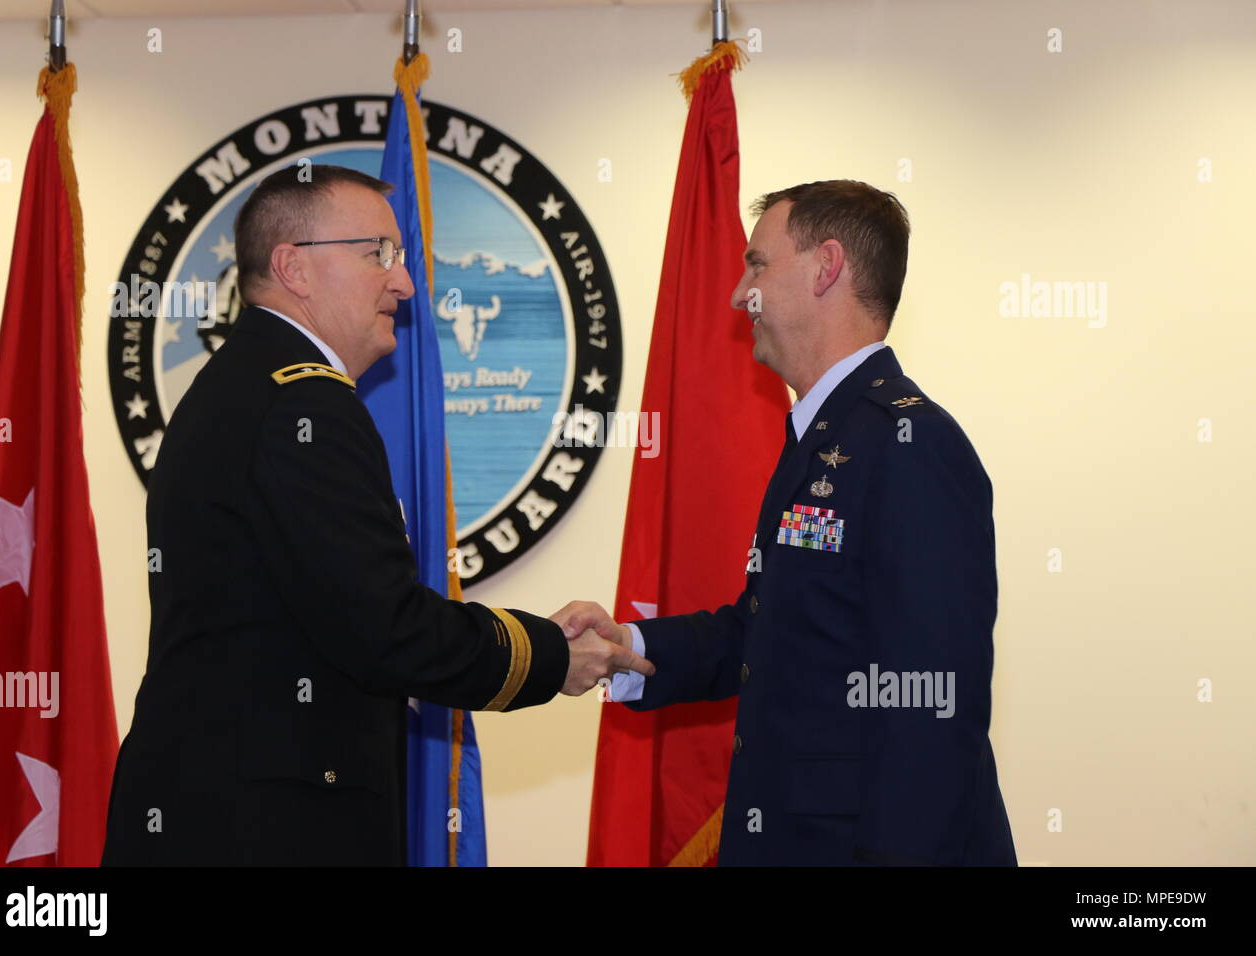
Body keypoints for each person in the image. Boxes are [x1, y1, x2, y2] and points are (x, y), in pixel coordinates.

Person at [102, 165, 650, 866]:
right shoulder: (302, 403)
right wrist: (550, 654)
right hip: (269, 829)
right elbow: (387, 629)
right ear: (294, 268)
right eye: (379, 254)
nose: (405, 283)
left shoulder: (247, 383)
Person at [559, 181, 1016, 866]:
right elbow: (766, 633)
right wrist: (629, 647)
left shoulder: (910, 443)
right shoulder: (824, 435)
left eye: (757, 265)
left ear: (825, 267)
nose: (738, 293)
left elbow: (930, 712)